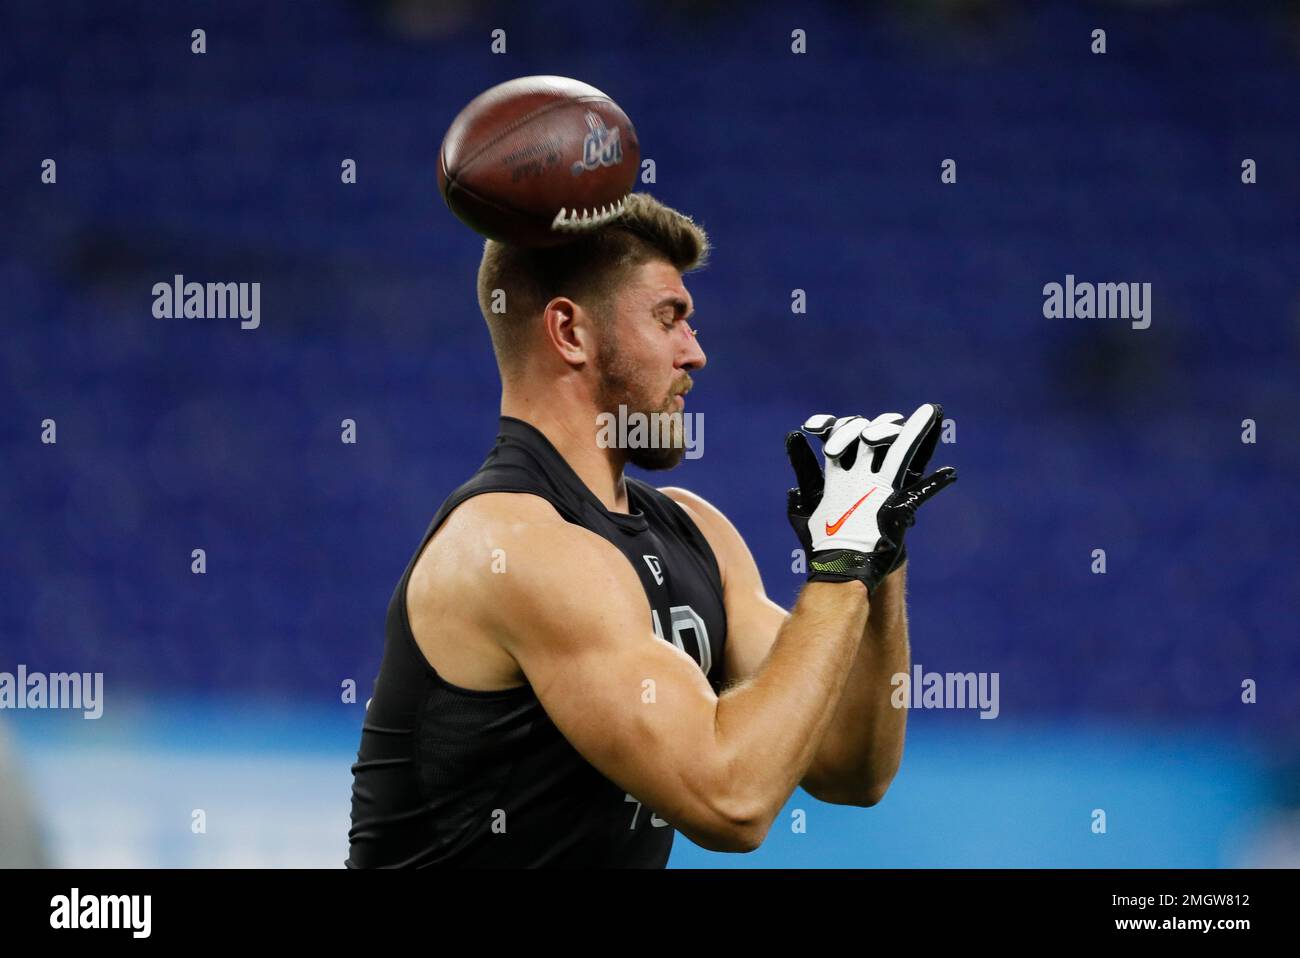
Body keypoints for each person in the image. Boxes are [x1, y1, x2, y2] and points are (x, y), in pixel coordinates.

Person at [346, 192, 955, 867]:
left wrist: (877, 560)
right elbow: (731, 802)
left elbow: (850, 767)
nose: (695, 354)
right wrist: (837, 569)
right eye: (670, 319)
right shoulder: (510, 545)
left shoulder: (695, 530)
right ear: (570, 333)